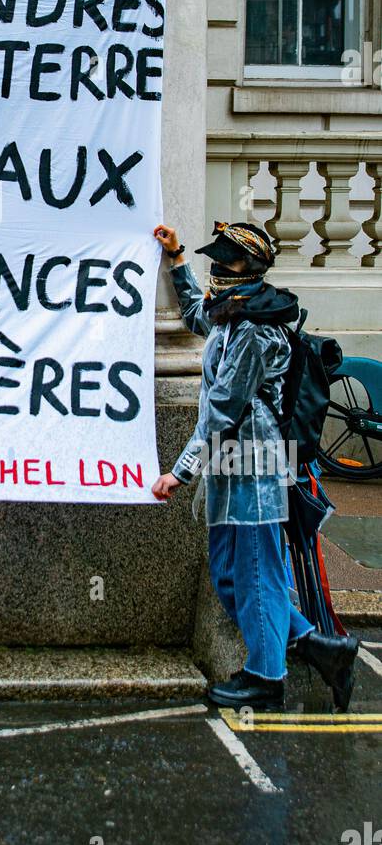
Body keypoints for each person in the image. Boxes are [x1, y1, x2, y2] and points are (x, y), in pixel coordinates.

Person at [152, 221, 359, 711]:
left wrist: (180, 472)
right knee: (228, 571)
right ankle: (318, 646)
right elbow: (198, 318)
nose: (218, 267)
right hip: (232, 460)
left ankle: (267, 678)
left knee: (254, 569)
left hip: (256, 460)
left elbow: (223, 407)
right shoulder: (235, 311)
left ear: (249, 268)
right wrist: (177, 260)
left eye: (227, 260)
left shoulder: (252, 328)